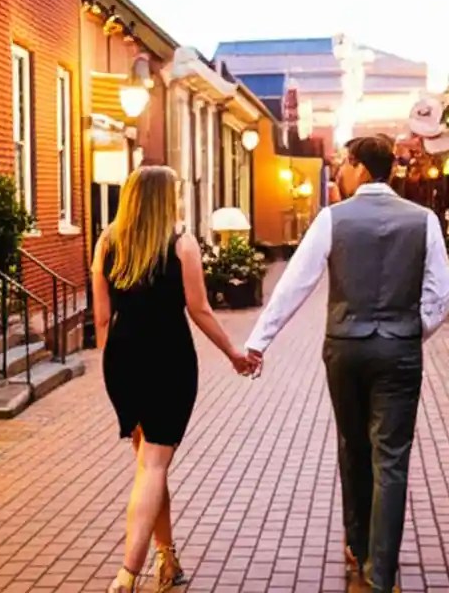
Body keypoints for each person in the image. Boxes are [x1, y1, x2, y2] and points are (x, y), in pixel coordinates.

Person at [245, 135, 449, 592]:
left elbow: (294, 284)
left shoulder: (332, 219)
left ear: (360, 168)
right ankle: (382, 573)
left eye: (343, 163)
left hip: (346, 347)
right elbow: (441, 295)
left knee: (352, 445)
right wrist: (410, 330)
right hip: (399, 350)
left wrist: (259, 341)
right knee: (392, 458)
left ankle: (358, 547)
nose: (338, 171)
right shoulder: (424, 221)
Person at [92, 166, 258, 593]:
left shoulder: (107, 243)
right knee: (152, 466)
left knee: (149, 463)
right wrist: (234, 353)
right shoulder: (182, 244)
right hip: (168, 360)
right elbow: (199, 310)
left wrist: (113, 365)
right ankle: (127, 574)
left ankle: (167, 558)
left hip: (122, 360)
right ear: (166, 198)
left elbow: (101, 319)